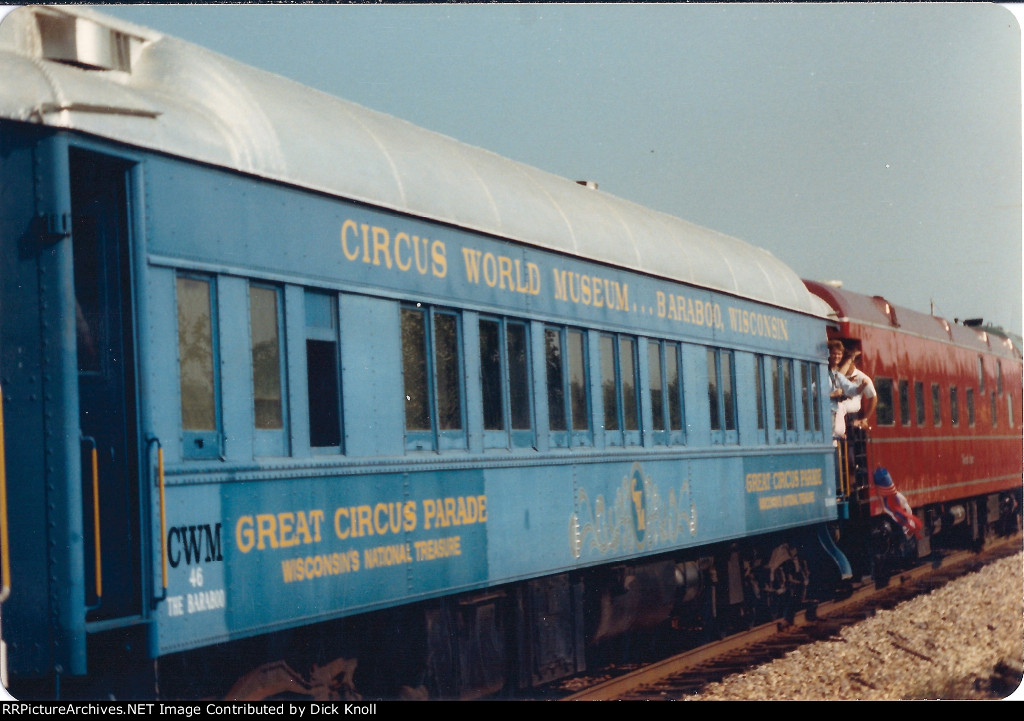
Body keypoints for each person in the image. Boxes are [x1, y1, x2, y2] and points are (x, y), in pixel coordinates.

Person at [827, 340, 866, 439]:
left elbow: (851, 389)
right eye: (834, 354)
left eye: (839, 354)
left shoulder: (837, 375)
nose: (836, 356)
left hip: (836, 436)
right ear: (828, 354)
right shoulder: (823, 373)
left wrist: (862, 386)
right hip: (828, 430)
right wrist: (832, 395)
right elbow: (808, 393)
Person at [840, 349, 877, 431]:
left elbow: (873, 397)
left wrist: (865, 418)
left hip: (850, 415)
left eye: (845, 363)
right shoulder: (838, 376)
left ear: (852, 362)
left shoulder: (862, 377)